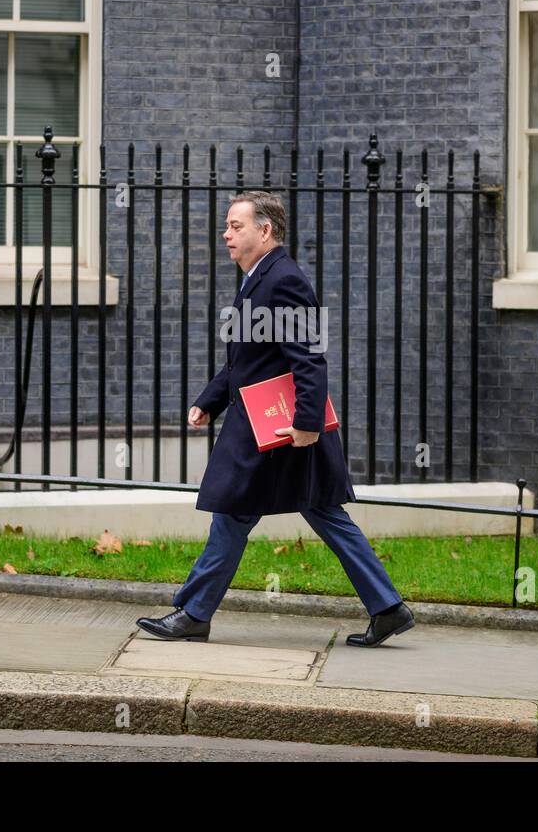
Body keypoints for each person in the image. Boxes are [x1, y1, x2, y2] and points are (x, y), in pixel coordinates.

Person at [135, 190, 415, 647]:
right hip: (273, 425)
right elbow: (246, 361)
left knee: (232, 511)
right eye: (226, 226)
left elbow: (308, 357)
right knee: (322, 512)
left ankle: (194, 613)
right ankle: (387, 607)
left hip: (281, 429)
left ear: (265, 231)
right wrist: (210, 400)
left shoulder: (283, 280)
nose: (225, 234)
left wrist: (306, 425)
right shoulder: (254, 277)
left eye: (235, 226)